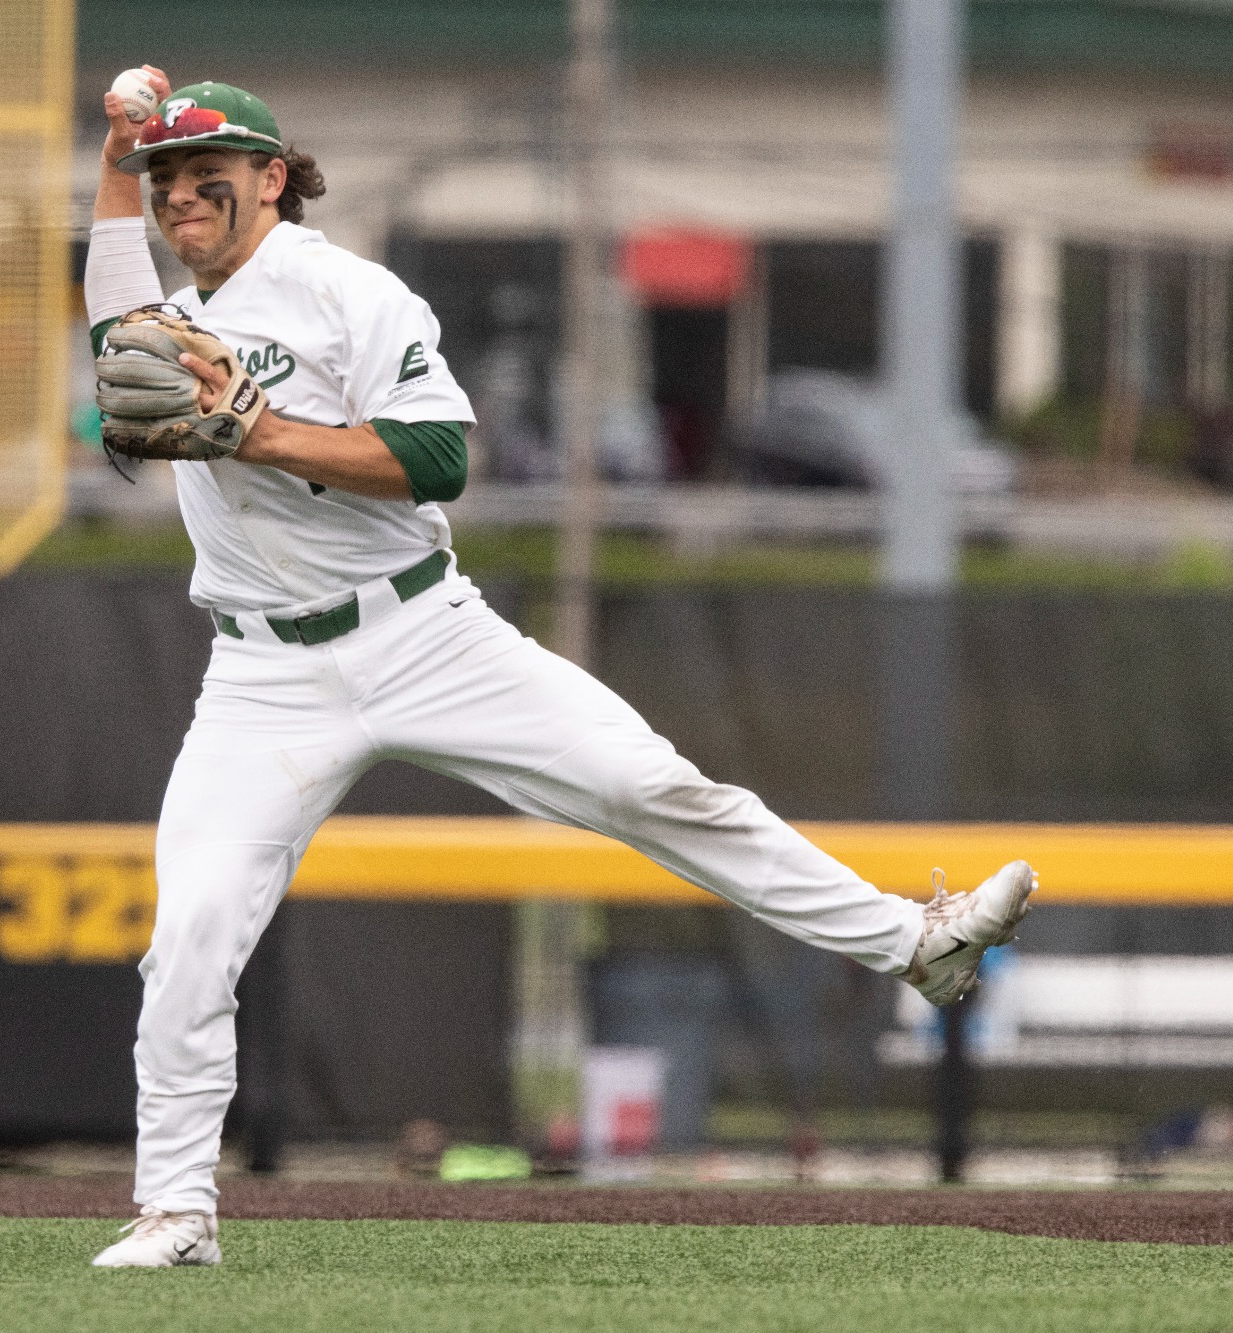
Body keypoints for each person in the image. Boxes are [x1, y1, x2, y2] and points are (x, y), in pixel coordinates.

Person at [82, 69, 1037, 1269]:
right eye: (167, 178)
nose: (180, 194)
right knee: (191, 935)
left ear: (271, 177)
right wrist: (119, 150)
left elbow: (438, 458)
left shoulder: (346, 292)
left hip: (421, 632)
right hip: (259, 673)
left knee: (653, 789)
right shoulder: (169, 306)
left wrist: (259, 433)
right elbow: (114, 283)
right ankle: (176, 1212)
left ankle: (914, 943)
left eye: (203, 170)